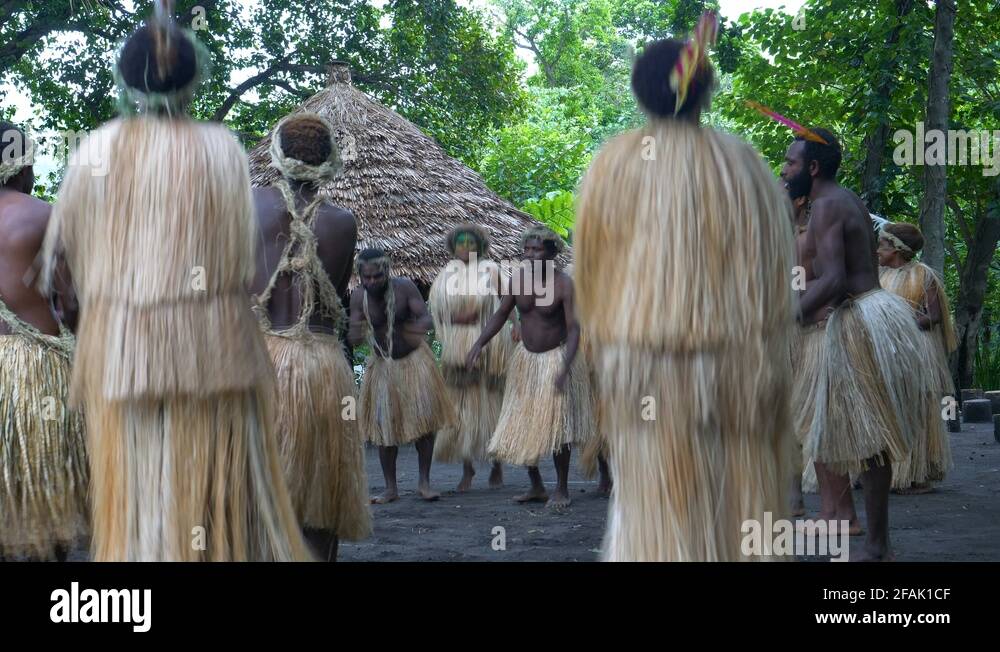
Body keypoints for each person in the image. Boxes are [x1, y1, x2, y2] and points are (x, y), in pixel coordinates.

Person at [40, 13, 311, 561]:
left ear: (128, 80)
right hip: (215, 346)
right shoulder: (221, 151)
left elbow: (64, 272)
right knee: (220, 497)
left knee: (140, 497)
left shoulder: (93, 152)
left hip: (122, 351)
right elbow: (238, 263)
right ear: (193, 79)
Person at [574, 15, 796, 560]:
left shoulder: (612, 166)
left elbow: (594, 286)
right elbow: (772, 286)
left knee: (652, 499)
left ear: (641, 93)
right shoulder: (745, 167)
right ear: (704, 89)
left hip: (641, 364)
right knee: (735, 497)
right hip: (734, 364)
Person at [786, 128, 927, 561]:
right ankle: (872, 540)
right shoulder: (842, 199)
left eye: (790, 162)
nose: (784, 168)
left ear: (812, 167)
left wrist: (782, 317)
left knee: (871, 437)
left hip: (857, 320)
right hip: (866, 316)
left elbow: (832, 278)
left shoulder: (828, 205)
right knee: (866, 435)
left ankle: (876, 543)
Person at [251, 112, 371, 561]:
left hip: (259, 361)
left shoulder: (245, 205)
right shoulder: (343, 222)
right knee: (321, 499)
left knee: (256, 496)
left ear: (278, 156)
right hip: (322, 367)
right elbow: (337, 298)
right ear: (329, 162)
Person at [0, 121, 87, 561]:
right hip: (37, 370)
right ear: (20, 166)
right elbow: (73, 303)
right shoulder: (44, 215)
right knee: (49, 498)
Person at [466, 225, 595, 509]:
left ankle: (561, 489)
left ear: (552, 253)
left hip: (556, 358)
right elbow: (501, 314)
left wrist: (565, 366)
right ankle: (536, 485)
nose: (530, 255)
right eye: (527, 249)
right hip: (526, 360)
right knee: (523, 423)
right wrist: (479, 344)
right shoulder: (518, 279)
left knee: (559, 427)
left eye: (537, 250)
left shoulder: (564, 285)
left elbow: (574, 329)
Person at [349, 248, 454, 503]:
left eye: (377, 277)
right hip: (383, 366)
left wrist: (416, 327)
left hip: (414, 362)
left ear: (387, 272)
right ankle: (390, 488)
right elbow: (354, 333)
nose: (372, 282)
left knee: (424, 426)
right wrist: (354, 334)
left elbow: (426, 317)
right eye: (367, 277)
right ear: (360, 276)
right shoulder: (358, 297)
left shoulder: (404, 288)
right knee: (385, 427)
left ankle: (424, 482)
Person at [429, 224, 511, 491]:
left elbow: (508, 303)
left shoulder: (492, 270)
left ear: (481, 246)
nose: (466, 247)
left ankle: (497, 466)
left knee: (492, 403)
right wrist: (456, 318)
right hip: (457, 346)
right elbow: (437, 314)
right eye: (461, 243)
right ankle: (468, 469)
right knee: (460, 408)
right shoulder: (445, 275)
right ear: (453, 247)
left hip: (489, 345)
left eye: (471, 243)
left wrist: (517, 325)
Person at [877, 222, 955, 493]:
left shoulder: (924, 276)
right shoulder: (881, 276)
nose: (877, 250)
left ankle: (917, 474)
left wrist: (902, 322)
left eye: (882, 246)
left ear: (897, 250)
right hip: (890, 349)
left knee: (917, 410)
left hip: (918, 351)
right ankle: (889, 470)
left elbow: (934, 316)